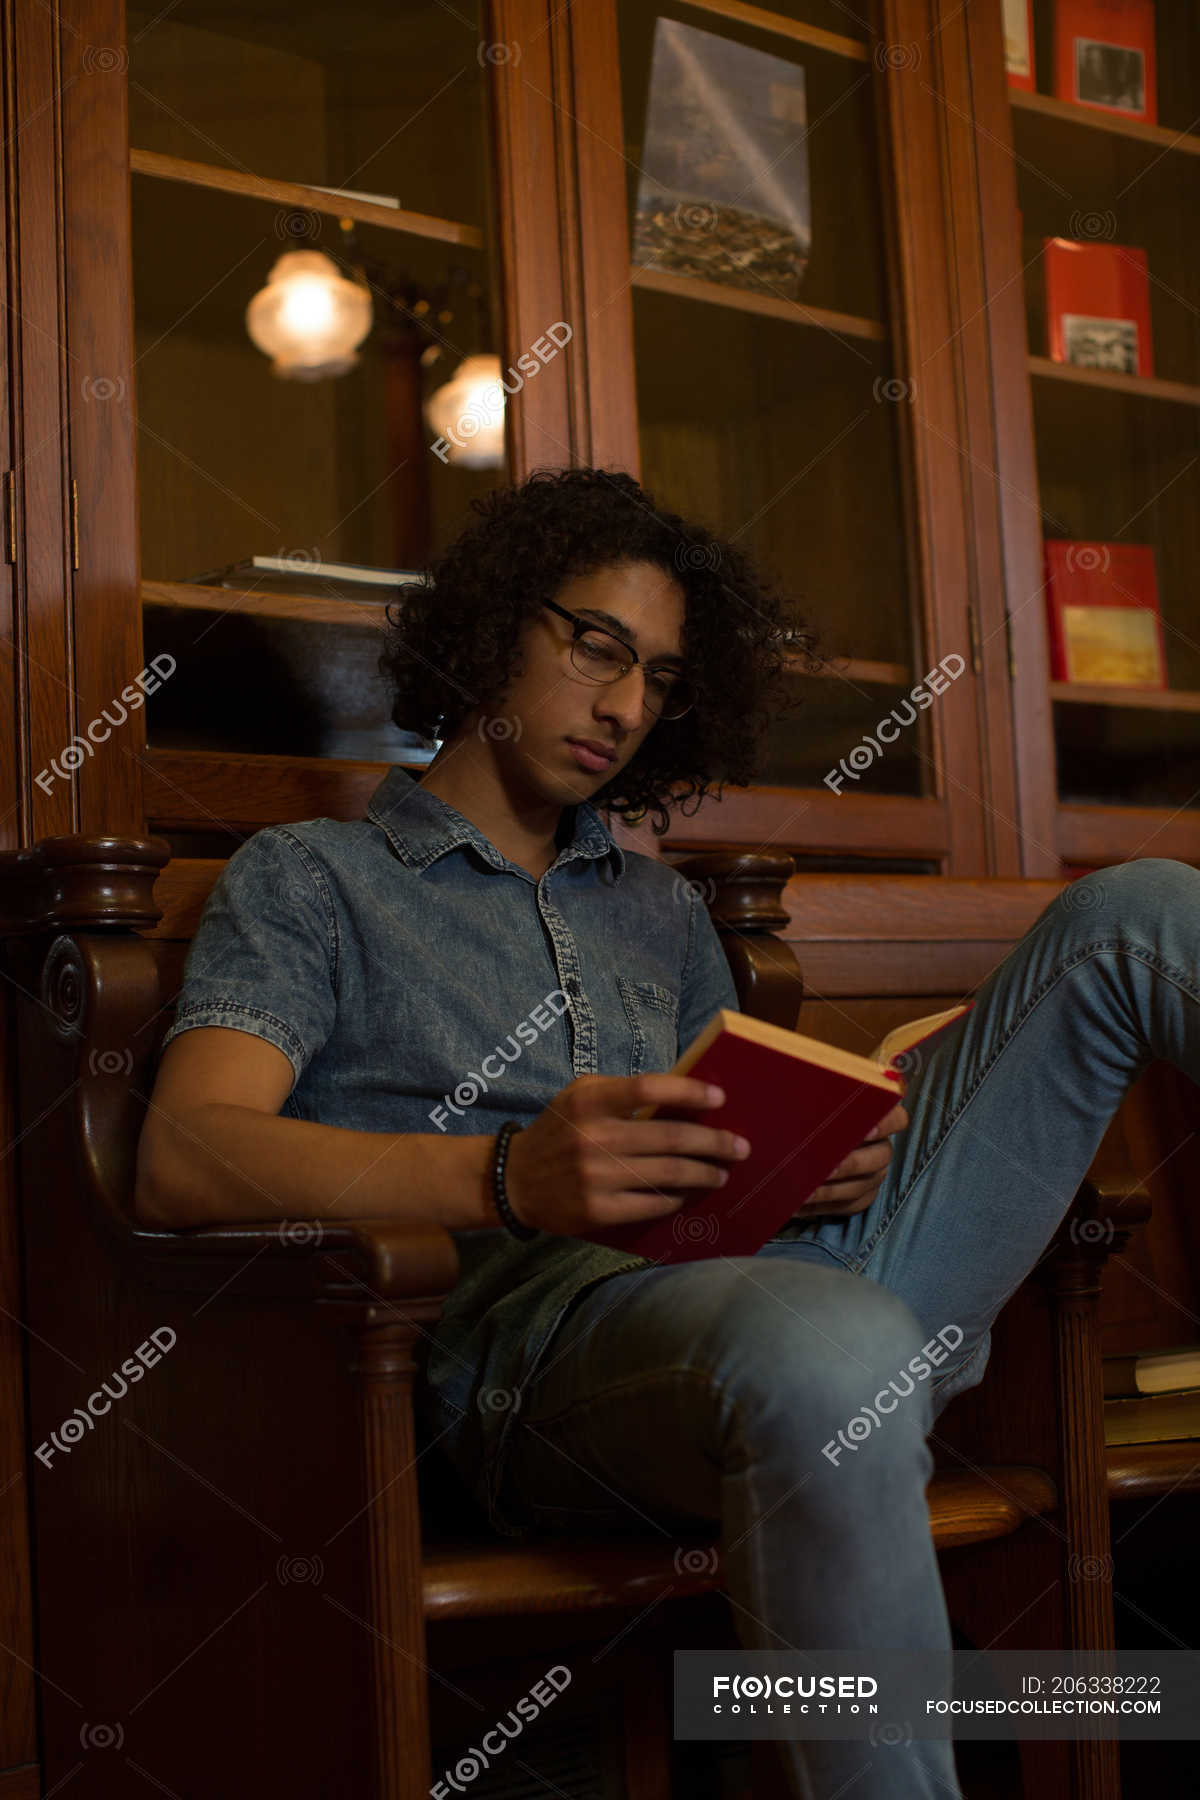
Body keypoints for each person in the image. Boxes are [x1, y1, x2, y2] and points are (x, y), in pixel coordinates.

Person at [135, 466, 1200, 1799]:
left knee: (1142, 913)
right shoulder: (313, 880)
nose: (628, 706)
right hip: (537, 1365)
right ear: (489, 627)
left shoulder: (660, 911)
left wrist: (815, 1167)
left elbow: (716, 1159)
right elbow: (185, 1151)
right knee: (833, 1349)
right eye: (596, 647)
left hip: (777, 1299)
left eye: (660, 678)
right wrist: (504, 1172)